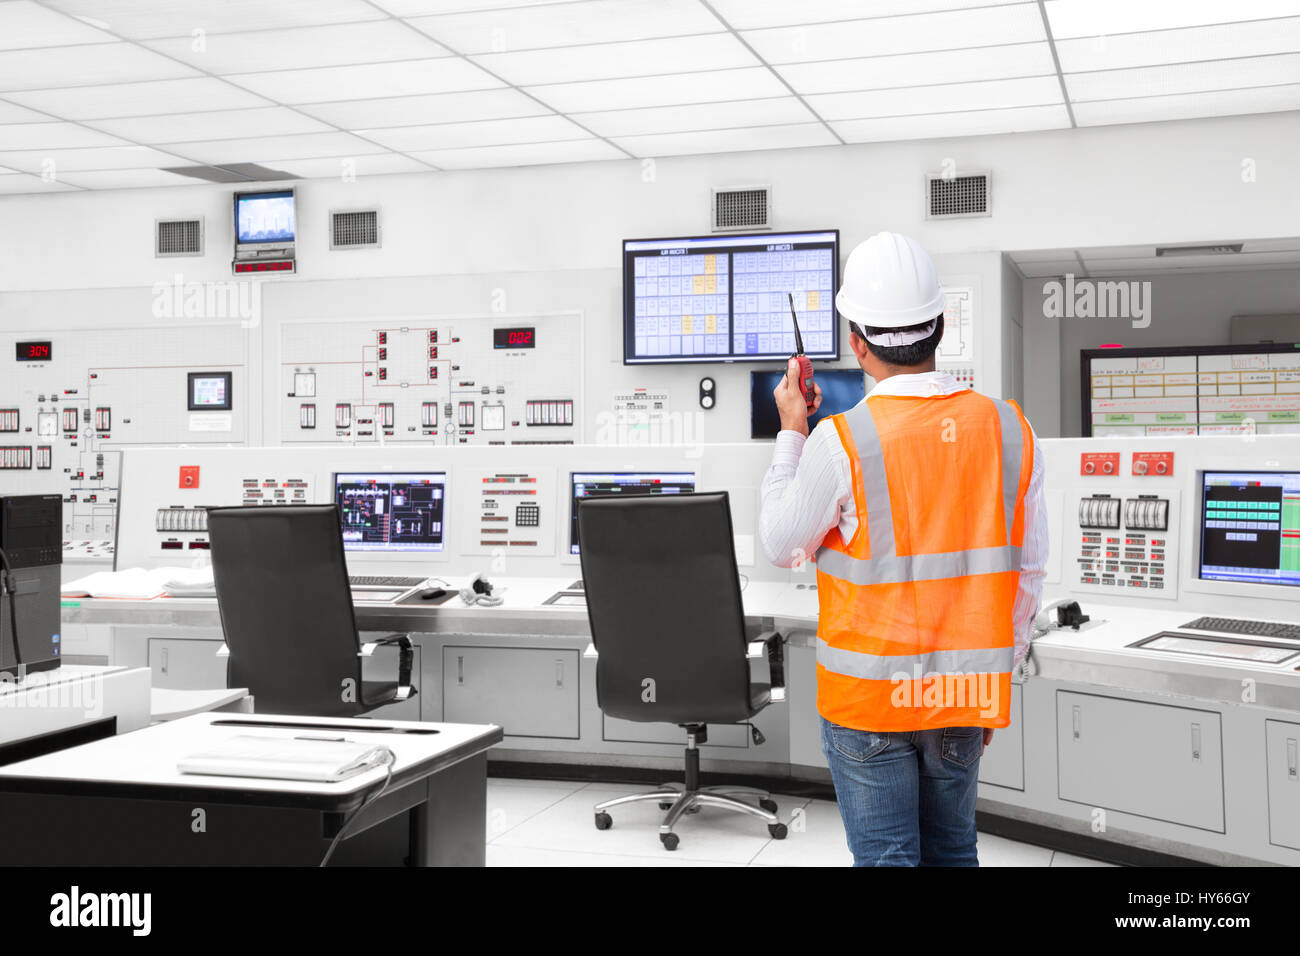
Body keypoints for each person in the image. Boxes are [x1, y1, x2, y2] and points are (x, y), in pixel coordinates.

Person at [759, 232, 1046, 866]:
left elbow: (782, 544)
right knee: (954, 852)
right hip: (961, 698)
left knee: (889, 860)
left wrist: (790, 431)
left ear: (857, 343)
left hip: (868, 707)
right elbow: (1027, 575)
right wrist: (993, 684)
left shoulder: (840, 441)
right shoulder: (1008, 428)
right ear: (940, 324)